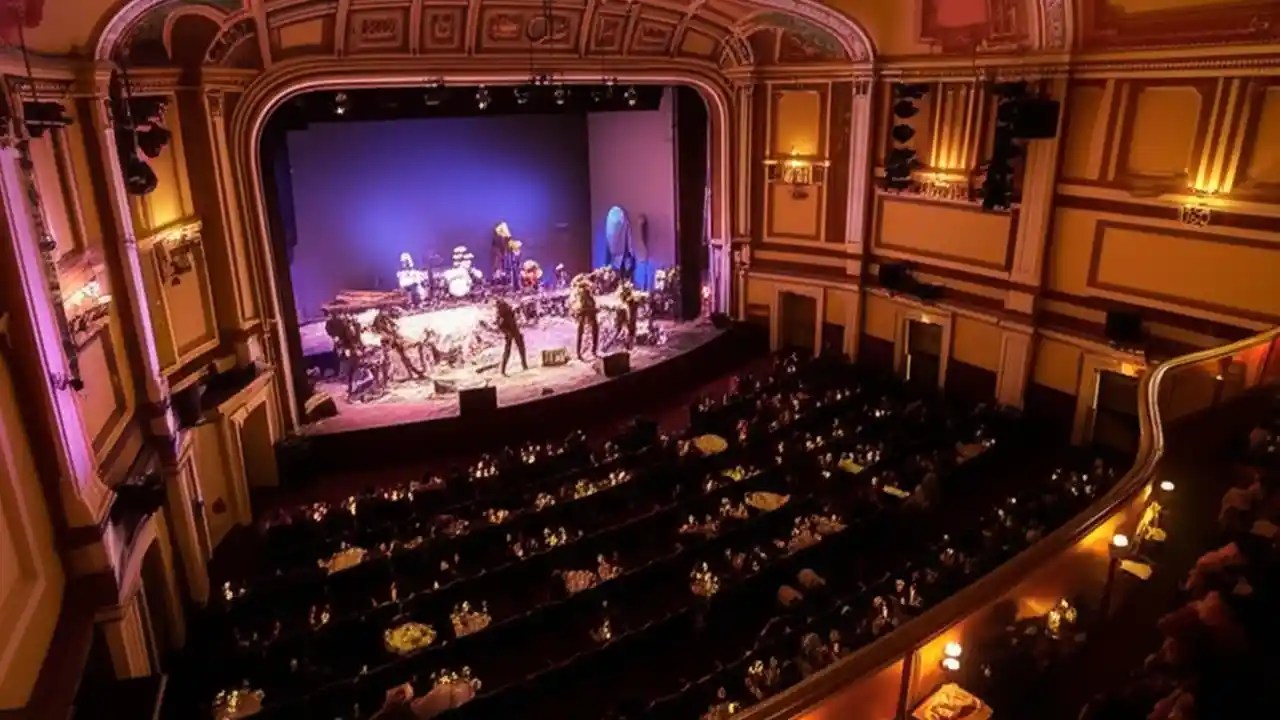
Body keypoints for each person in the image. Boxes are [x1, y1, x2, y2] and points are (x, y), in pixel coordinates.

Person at [494, 297, 527, 375]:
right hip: (510, 331)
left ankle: (524, 365)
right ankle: (503, 370)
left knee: (520, 348)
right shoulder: (501, 314)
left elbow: (514, 315)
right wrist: (507, 332)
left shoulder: (506, 311)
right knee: (509, 351)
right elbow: (500, 326)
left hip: (514, 330)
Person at [570, 273, 599, 360]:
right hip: (584, 310)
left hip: (589, 310)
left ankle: (592, 350)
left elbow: (591, 303)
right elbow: (579, 305)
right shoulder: (581, 292)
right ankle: (580, 352)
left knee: (594, 328)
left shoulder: (587, 293)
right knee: (582, 330)